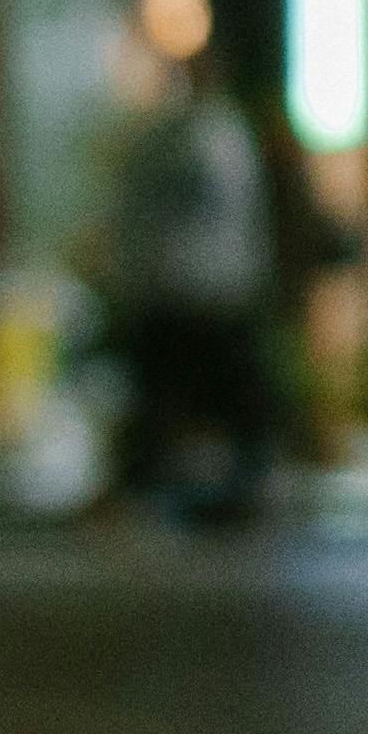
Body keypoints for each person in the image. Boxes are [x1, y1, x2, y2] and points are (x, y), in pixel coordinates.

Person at [99, 74, 277, 518]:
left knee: (203, 391)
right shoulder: (201, 133)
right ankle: (152, 478)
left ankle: (223, 477)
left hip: (199, 291)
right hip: (191, 291)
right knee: (175, 393)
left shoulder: (205, 134)